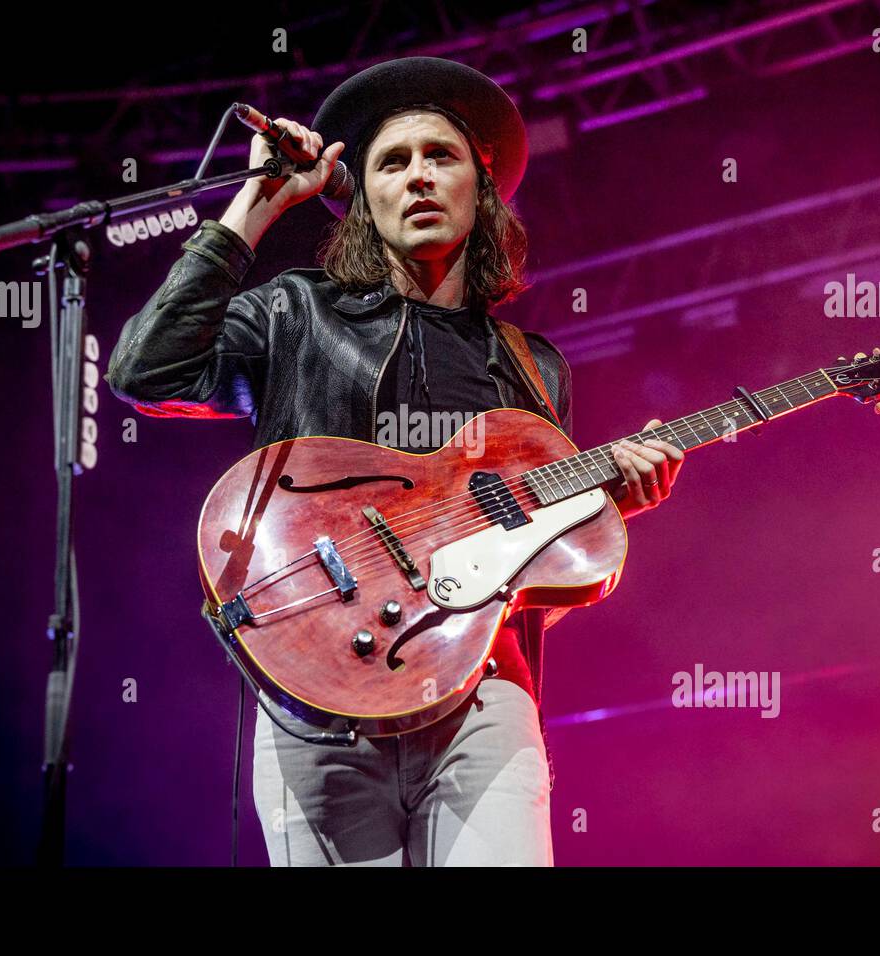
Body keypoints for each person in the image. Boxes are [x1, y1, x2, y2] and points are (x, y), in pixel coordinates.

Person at [106, 56, 683, 866]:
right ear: (362, 201)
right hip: (320, 693)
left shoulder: (535, 365)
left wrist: (607, 506)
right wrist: (256, 207)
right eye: (391, 162)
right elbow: (145, 372)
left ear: (480, 194)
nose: (418, 178)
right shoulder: (296, 312)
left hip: (484, 696)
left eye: (440, 157)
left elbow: (525, 572)